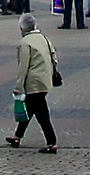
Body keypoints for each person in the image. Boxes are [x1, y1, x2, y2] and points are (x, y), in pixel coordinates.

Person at [5, 13, 59, 153]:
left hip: (33, 82)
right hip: (45, 80)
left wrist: (19, 86)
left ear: (22, 28)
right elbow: (54, 57)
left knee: (41, 113)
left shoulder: (25, 43)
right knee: (30, 109)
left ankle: (52, 142)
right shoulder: (44, 38)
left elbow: (23, 67)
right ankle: (17, 136)